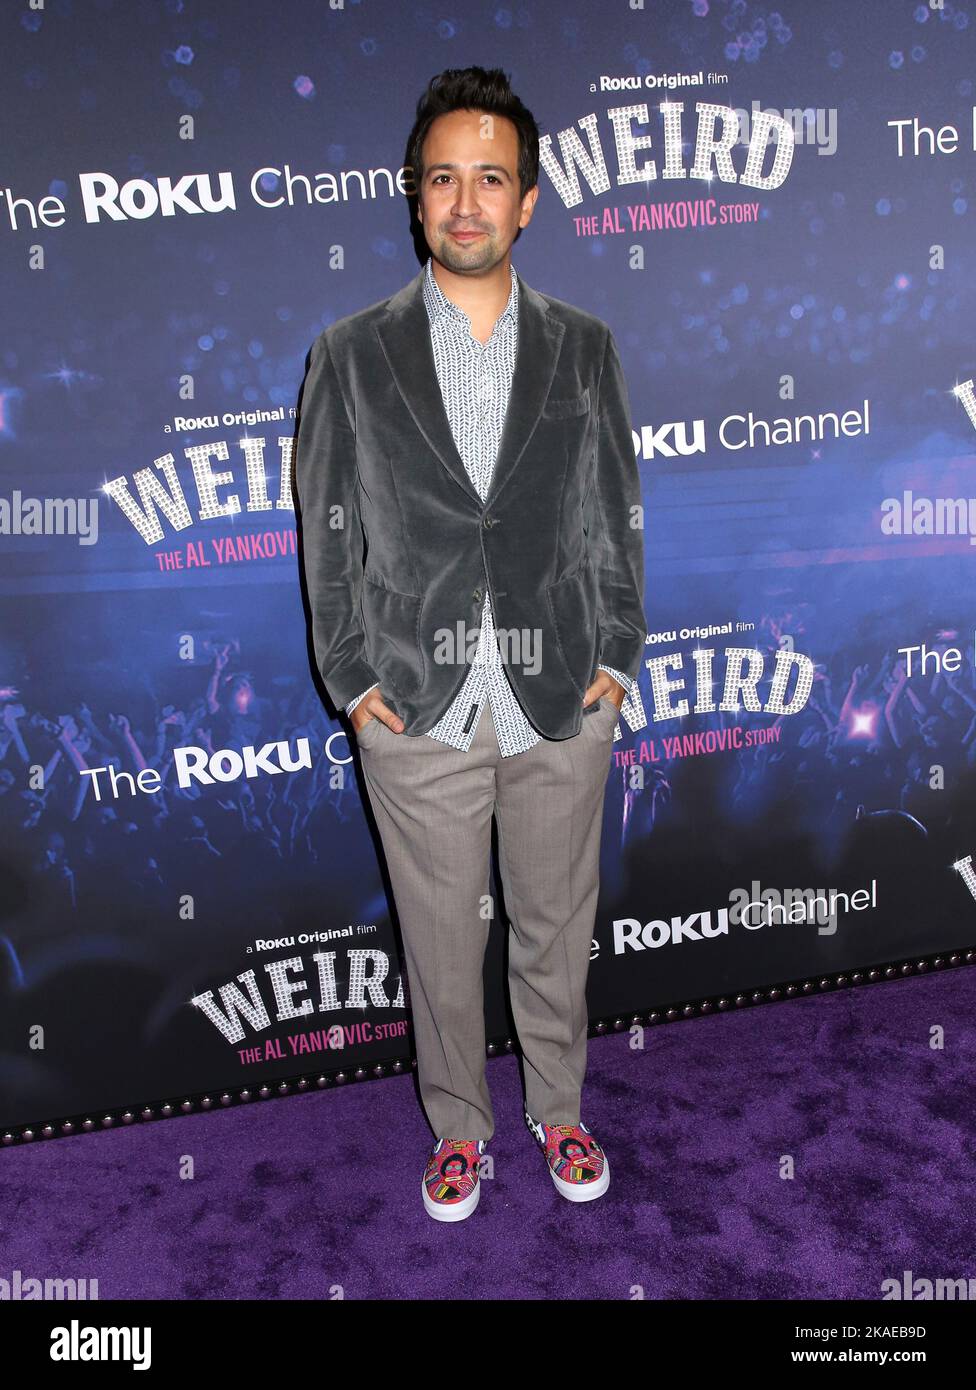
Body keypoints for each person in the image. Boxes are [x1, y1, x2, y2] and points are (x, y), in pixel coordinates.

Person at [295, 66, 646, 1221]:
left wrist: (617, 653)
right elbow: (326, 527)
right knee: (440, 944)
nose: (463, 202)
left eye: (489, 178)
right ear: (413, 196)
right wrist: (349, 677)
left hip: (560, 692)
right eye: (442, 178)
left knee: (556, 923)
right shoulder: (349, 353)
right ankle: (459, 1128)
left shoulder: (584, 346)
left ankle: (559, 1107)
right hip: (417, 705)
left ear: (528, 200)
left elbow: (611, 508)